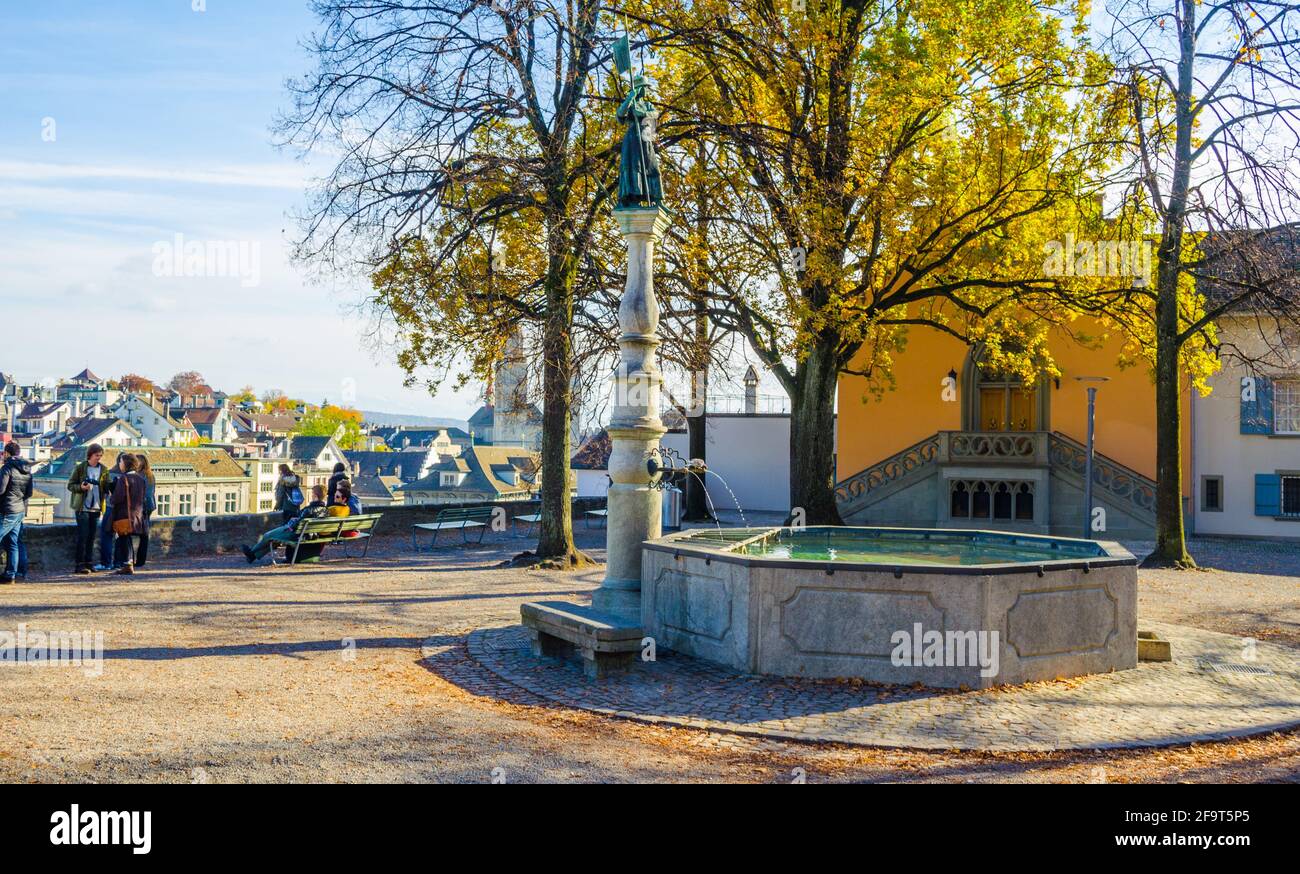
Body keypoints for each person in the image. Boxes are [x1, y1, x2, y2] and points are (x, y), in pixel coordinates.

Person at [241, 484, 328, 564]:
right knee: (273, 540)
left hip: (296, 534)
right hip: (309, 534)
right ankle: (252, 556)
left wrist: (291, 524)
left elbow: (297, 524)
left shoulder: (309, 509)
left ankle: (251, 552)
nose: (311, 495)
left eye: (312, 493)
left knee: (268, 535)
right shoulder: (326, 511)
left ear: (315, 496)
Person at [66, 443, 112, 575]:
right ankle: (79, 564)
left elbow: (107, 485)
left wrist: (108, 489)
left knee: (92, 537)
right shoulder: (80, 468)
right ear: (90, 455)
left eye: (100, 456)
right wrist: (81, 487)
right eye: (97, 455)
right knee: (83, 536)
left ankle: (89, 562)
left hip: (96, 507)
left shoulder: (104, 469)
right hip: (82, 507)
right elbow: (70, 485)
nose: (99, 458)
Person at [109, 453, 148, 575]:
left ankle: (127, 564)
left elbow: (118, 498)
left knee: (123, 538)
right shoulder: (141, 479)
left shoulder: (124, 479)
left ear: (126, 464)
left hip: (124, 514)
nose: (119, 464)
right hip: (137, 514)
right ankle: (129, 562)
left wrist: (111, 497)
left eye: (120, 462)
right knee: (127, 538)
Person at [0, 441, 33, 585]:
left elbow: (0, 490)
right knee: (13, 543)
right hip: (19, 510)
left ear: (7, 453)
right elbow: (29, 493)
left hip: (7, 510)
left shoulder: (7, 468)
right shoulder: (27, 469)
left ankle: (11, 574)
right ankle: (11, 575)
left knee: (12, 542)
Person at [96, 453, 128, 571]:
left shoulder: (110, 473)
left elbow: (104, 492)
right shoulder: (130, 476)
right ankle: (119, 562)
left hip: (111, 507)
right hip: (123, 510)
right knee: (122, 536)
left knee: (106, 534)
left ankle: (106, 563)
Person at [135, 453, 156, 569]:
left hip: (143, 507)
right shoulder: (150, 475)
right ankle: (140, 560)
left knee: (142, 534)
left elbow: (147, 494)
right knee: (144, 534)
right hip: (148, 506)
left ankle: (139, 560)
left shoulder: (142, 476)